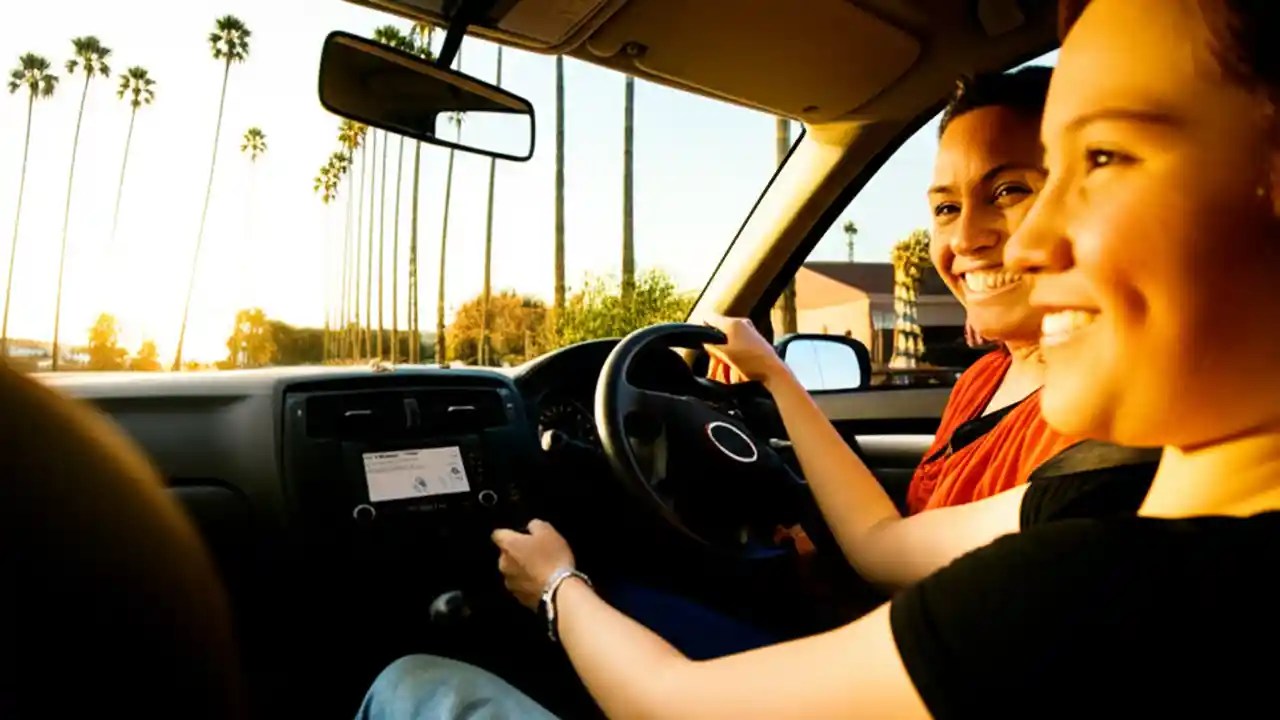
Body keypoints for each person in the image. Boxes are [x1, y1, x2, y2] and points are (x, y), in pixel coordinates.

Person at [358, 0, 1280, 715]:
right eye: (953, 205)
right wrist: (775, 376)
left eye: (1107, 156)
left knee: (410, 682)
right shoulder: (1091, 492)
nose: (1025, 243)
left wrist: (557, 585)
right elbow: (884, 549)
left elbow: (670, 706)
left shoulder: (1088, 586)